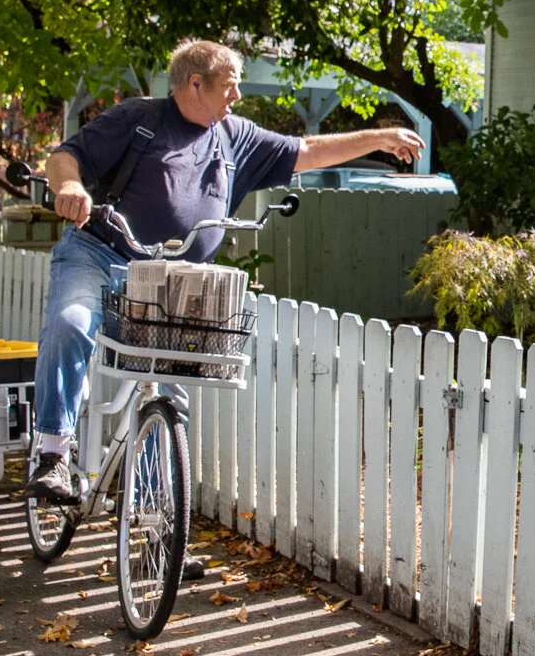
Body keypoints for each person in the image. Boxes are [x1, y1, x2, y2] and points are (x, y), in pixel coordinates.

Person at [26, 40, 423, 540]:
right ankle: (53, 453)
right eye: (230, 85)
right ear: (196, 84)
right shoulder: (139, 120)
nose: (237, 95)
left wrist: (380, 138)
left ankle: (155, 535)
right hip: (99, 255)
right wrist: (70, 188)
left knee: (163, 395)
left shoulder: (234, 137)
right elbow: (64, 156)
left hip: (170, 277)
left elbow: (307, 151)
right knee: (71, 324)